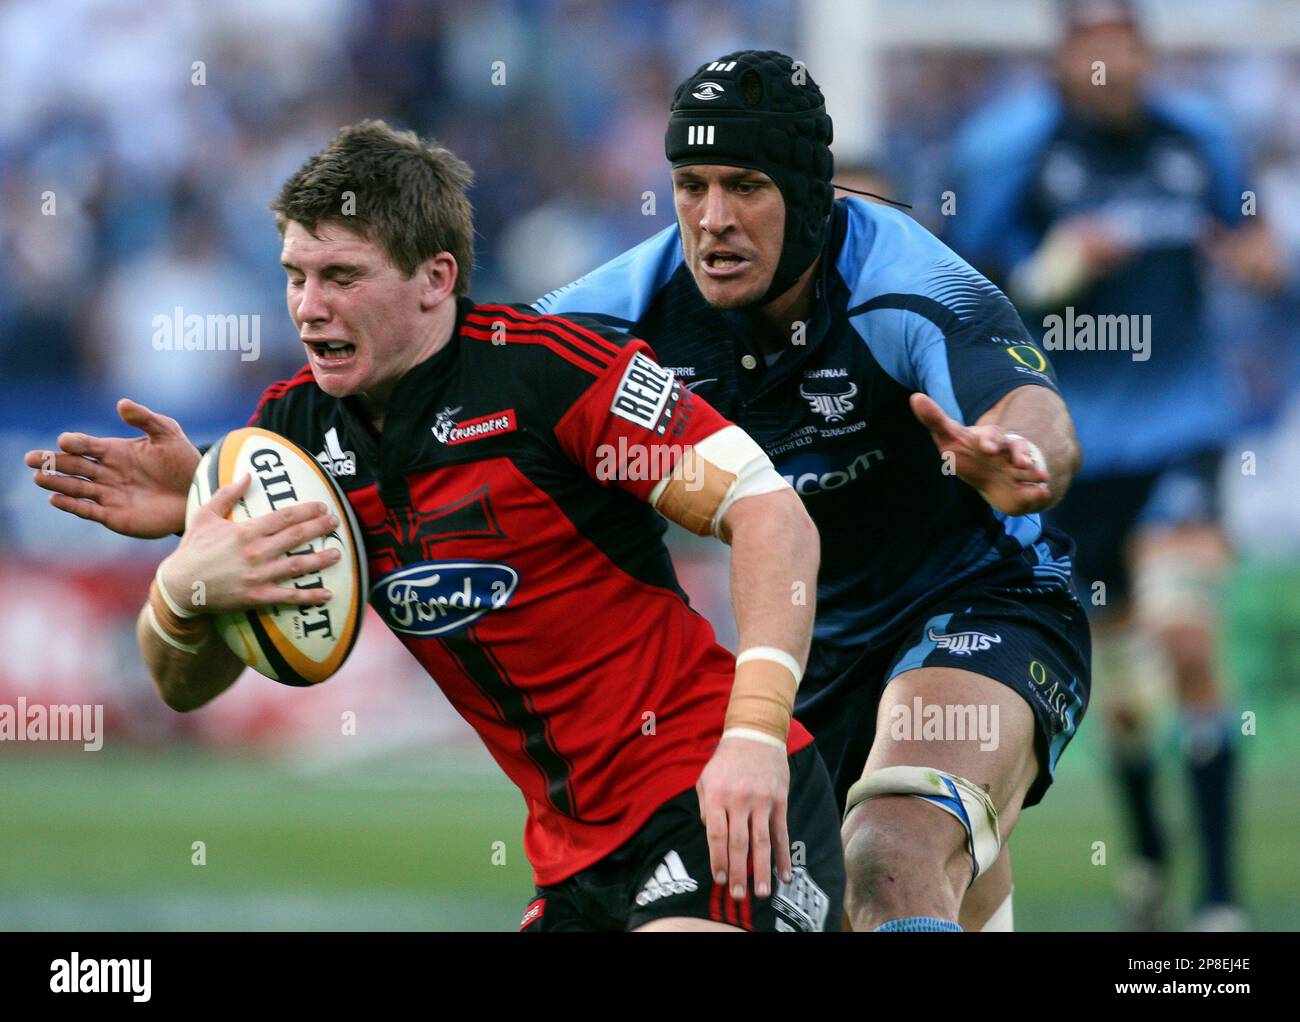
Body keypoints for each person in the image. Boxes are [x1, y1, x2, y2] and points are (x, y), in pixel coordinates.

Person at [25, 120, 846, 933]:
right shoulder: (291, 440)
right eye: (294, 275)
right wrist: (186, 588)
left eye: (342, 276)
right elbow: (180, 685)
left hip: (714, 791)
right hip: (570, 860)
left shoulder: (550, 370)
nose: (310, 308)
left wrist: (754, 736)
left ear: (435, 277)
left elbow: (772, 516)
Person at [534, 50, 1091, 932]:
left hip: (982, 601)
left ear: (811, 195)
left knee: (893, 852)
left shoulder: (904, 279)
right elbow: (485, 393)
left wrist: (1019, 455)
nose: (713, 219)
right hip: (805, 662)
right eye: (691, 184)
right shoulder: (612, 314)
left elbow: (1034, 412)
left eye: (746, 185)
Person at [946, 0, 1282, 930]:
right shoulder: (1010, 150)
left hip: (1183, 426)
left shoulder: (1199, 138)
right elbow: (967, 285)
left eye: (1123, 42)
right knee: (1127, 693)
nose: (1110, 60)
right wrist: (1057, 267)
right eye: (1090, 43)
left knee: (1188, 640)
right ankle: (1146, 854)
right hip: (1069, 445)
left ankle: (1218, 897)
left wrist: (1255, 253)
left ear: (1144, 52)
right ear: (1062, 58)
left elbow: (1249, 235)